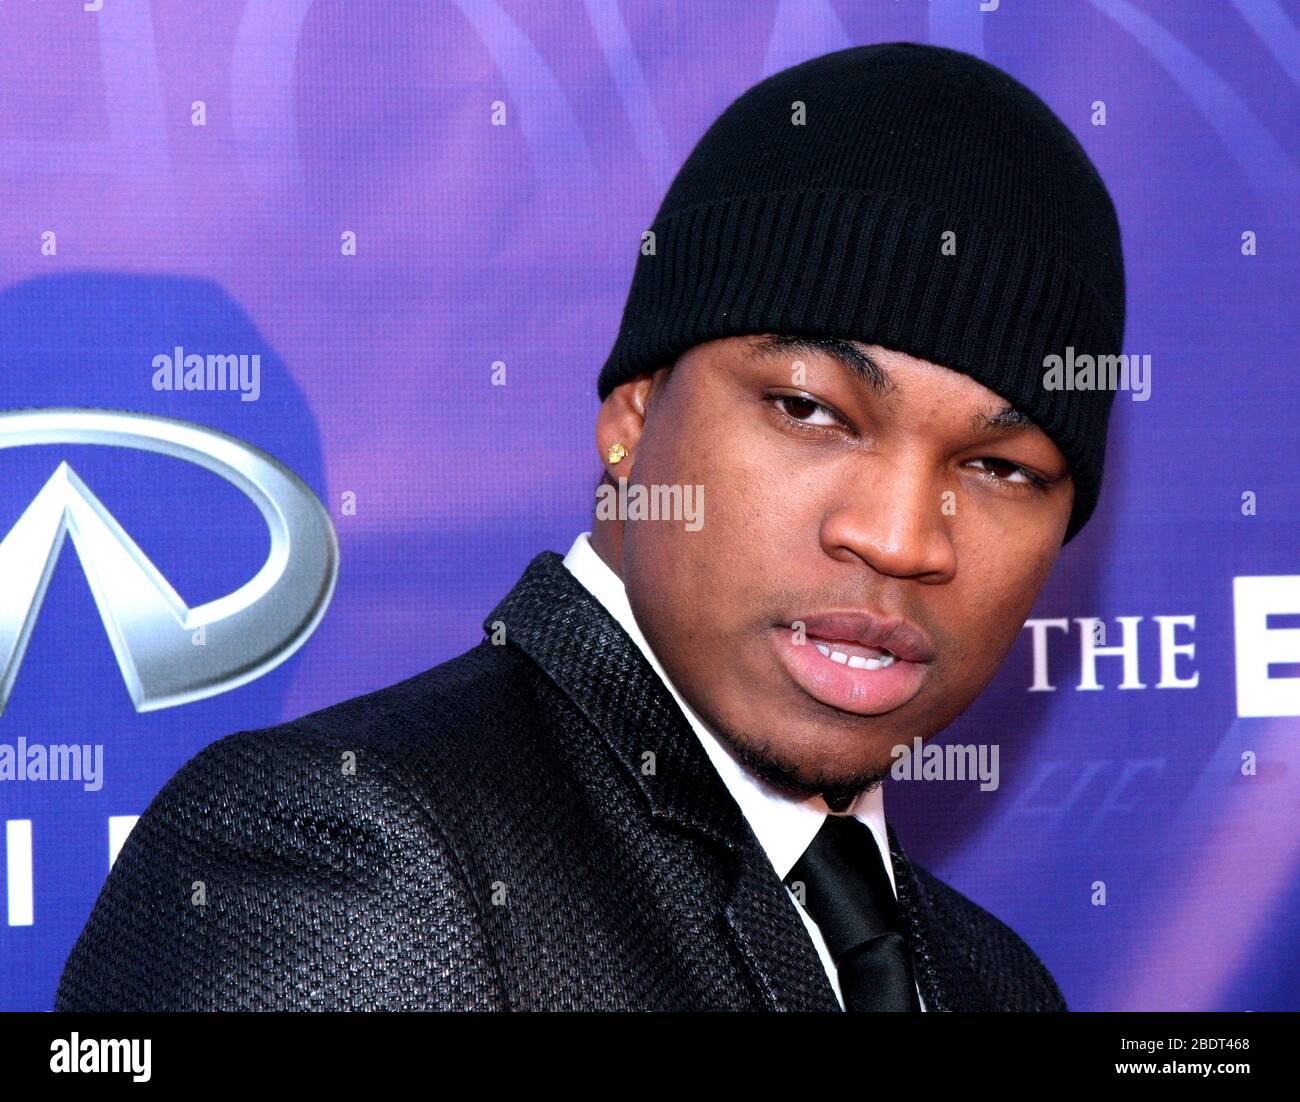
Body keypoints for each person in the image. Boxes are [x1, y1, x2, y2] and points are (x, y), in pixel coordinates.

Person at [55, 41, 1124, 1012]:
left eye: (998, 466)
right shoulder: (339, 853)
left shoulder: (994, 983)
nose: (899, 537)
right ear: (633, 419)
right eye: (808, 411)